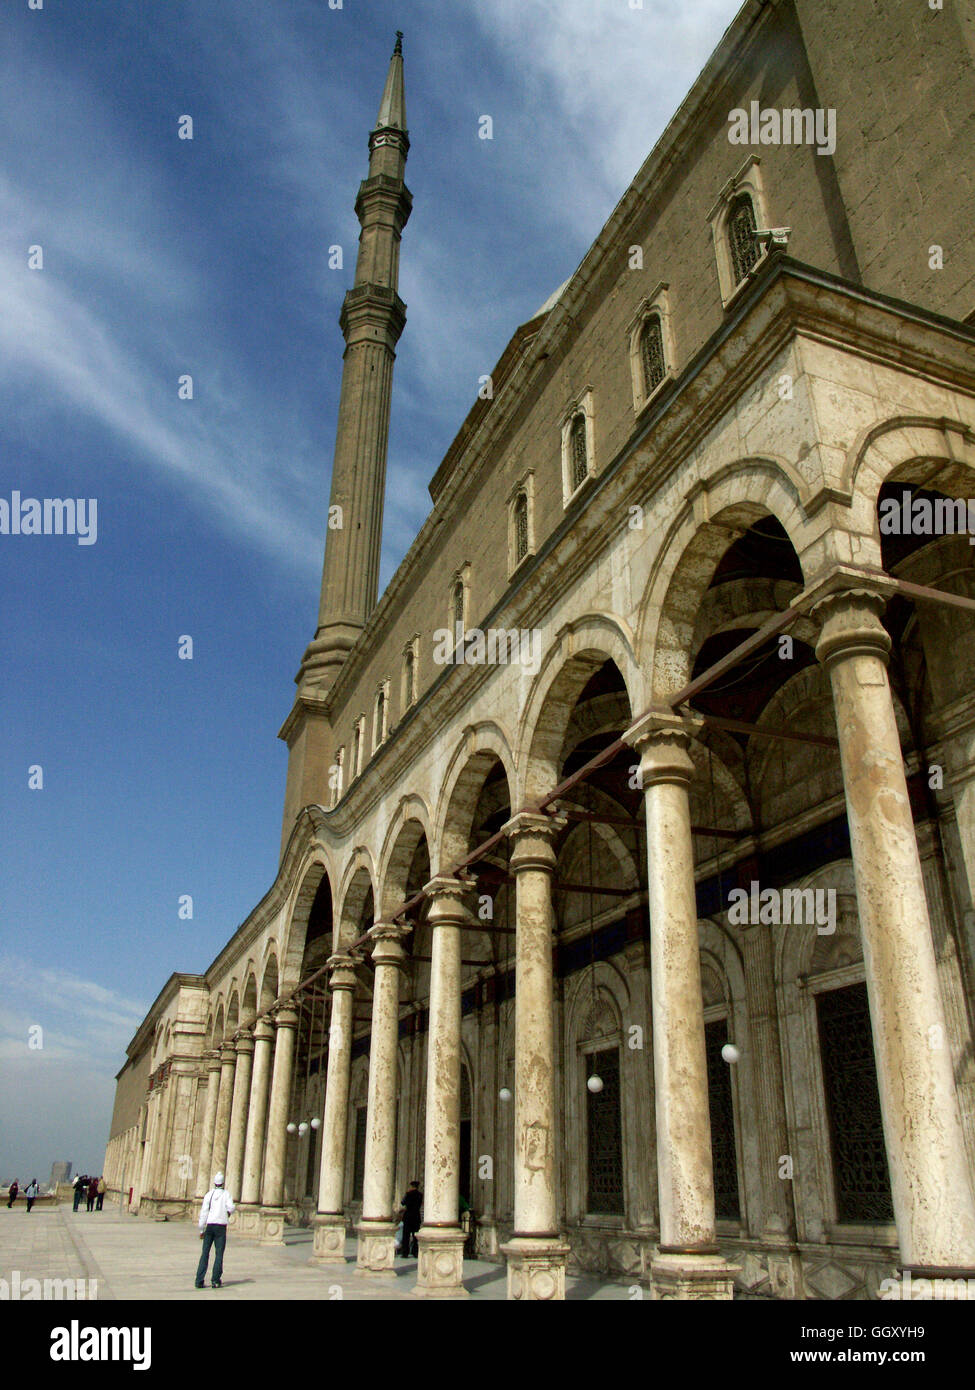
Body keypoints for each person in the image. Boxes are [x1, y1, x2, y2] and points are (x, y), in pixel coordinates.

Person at [195, 1172, 234, 1289]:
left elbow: (203, 1213)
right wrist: (226, 1213)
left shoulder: (209, 1195)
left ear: (214, 1183)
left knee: (205, 1253)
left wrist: (201, 1230)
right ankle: (215, 1280)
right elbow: (231, 1207)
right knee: (219, 1254)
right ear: (223, 1183)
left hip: (210, 1226)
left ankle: (199, 1280)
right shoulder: (226, 1194)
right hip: (221, 1227)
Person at [398, 1180, 422, 1258]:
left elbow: (402, 1202)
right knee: (415, 1236)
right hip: (416, 1216)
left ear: (412, 1186)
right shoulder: (420, 1195)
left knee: (406, 1236)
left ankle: (405, 1253)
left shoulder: (408, 1194)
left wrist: (406, 1194)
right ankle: (415, 1252)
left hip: (408, 1217)